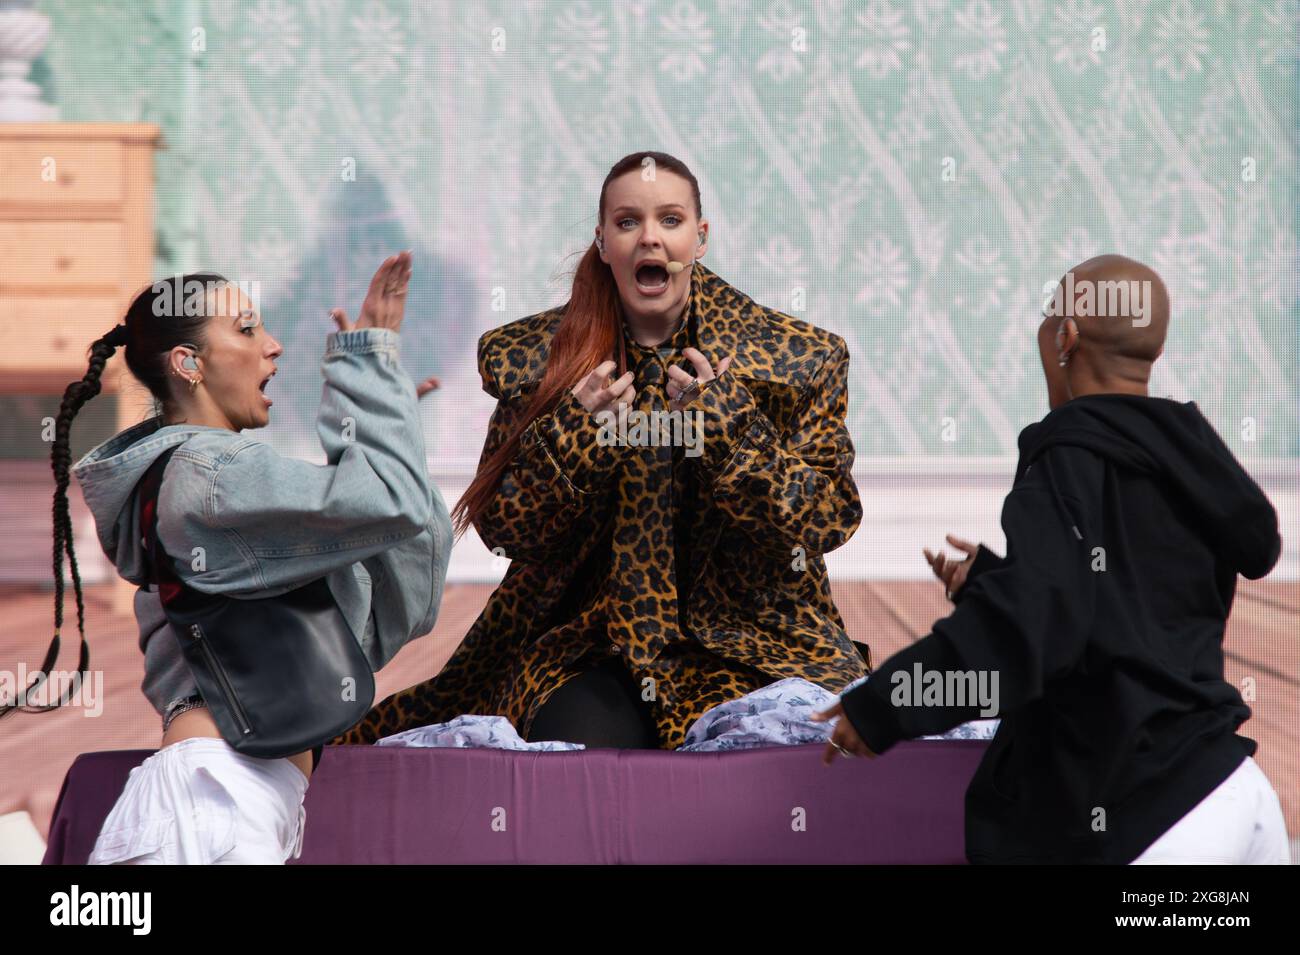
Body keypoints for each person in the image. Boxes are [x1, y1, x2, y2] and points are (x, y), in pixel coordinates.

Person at [338, 151, 870, 751]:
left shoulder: (795, 359)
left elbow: (826, 519)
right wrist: (576, 432)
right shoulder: (535, 358)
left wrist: (727, 425)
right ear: (602, 242)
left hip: (751, 638)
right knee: (578, 770)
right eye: (627, 222)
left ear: (700, 239)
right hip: (586, 642)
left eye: (670, 220)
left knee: (785, 767)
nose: (649, 237)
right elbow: (508, 531)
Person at [815, 254, 1290, 865]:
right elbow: (1125, 599)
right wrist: (997, 579)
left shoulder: (1066, 459)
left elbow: (1028, 625)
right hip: (1235, 797)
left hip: (1147, 818)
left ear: (1066, 337)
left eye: (1050, 318)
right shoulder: (1187, 462)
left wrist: (883, 706)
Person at [42, 255, 452, 863]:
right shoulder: (209, 476)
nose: (274, 347)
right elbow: (391, 503)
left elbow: (403, 603)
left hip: (242, 804)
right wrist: (369, 363)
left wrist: (392, 433)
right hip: (210, 803)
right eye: (246, 330)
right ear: (189, 364)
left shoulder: (220, 494)